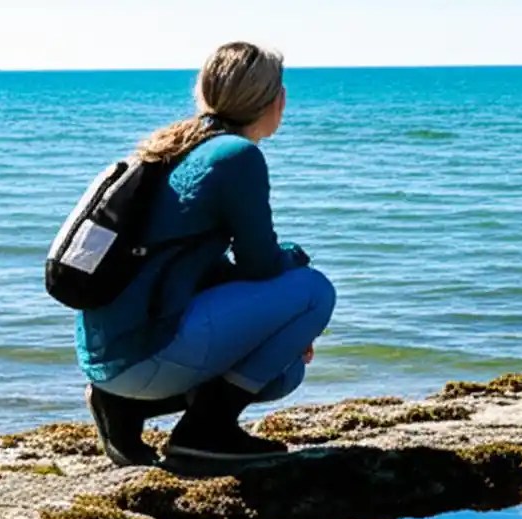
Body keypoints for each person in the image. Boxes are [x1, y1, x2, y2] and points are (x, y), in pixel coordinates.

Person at [76, 41, 336, 466]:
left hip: (110, 360)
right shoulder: (237, 155)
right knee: (314, 291)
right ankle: (204, 432)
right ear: (277, 100)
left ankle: (123, 407)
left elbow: (191, 267)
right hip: (144, 354)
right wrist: (296, 261)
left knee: (286, 371)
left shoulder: (179, 145)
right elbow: (262, 265)